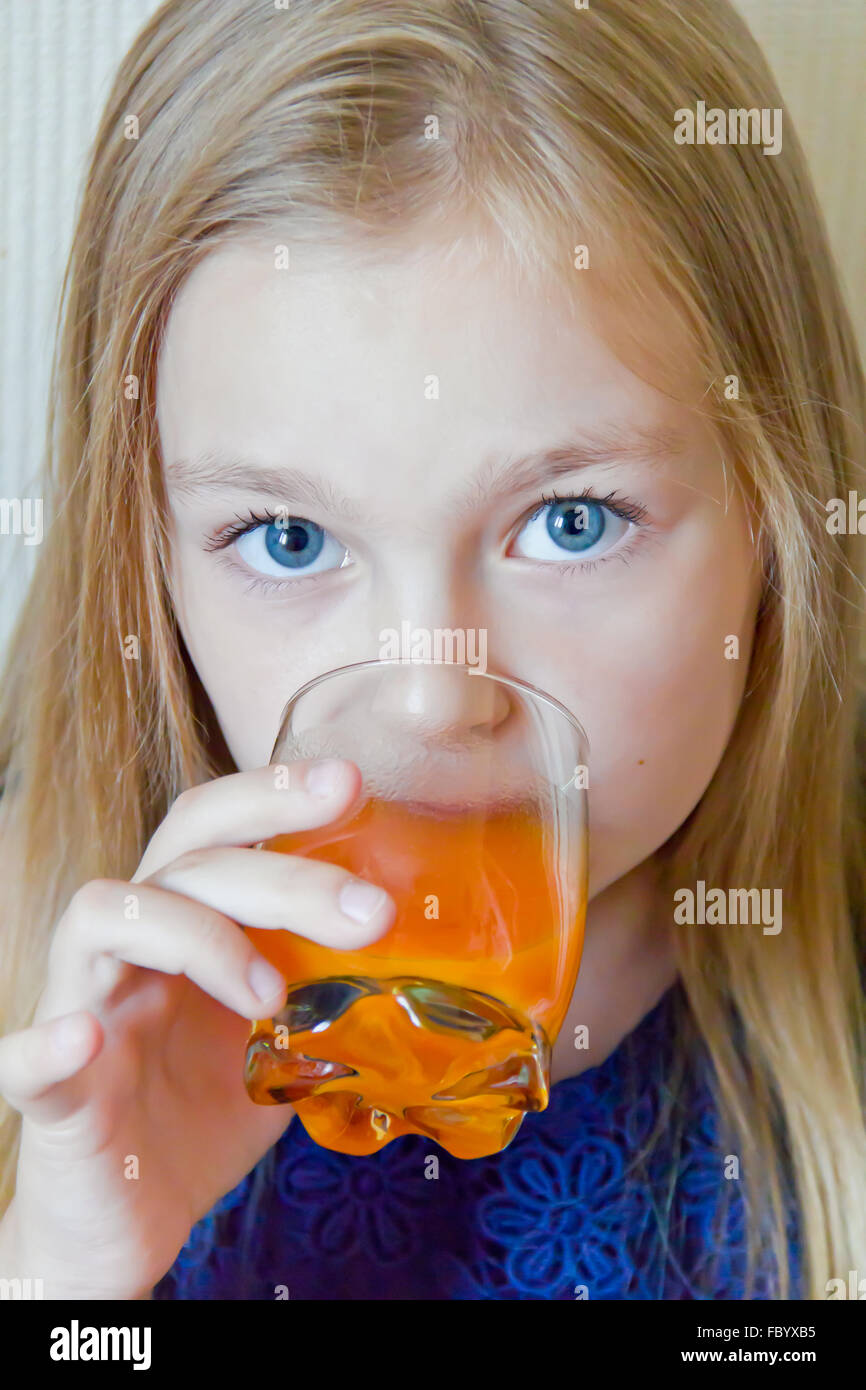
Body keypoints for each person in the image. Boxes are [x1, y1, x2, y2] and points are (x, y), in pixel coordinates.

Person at [0, 0, 864, 1301]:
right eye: (288, 538)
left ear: (778, 519)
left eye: (570, 522)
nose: (428, 692)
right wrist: (67, 1282)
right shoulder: (32, 989)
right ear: (146, 555)